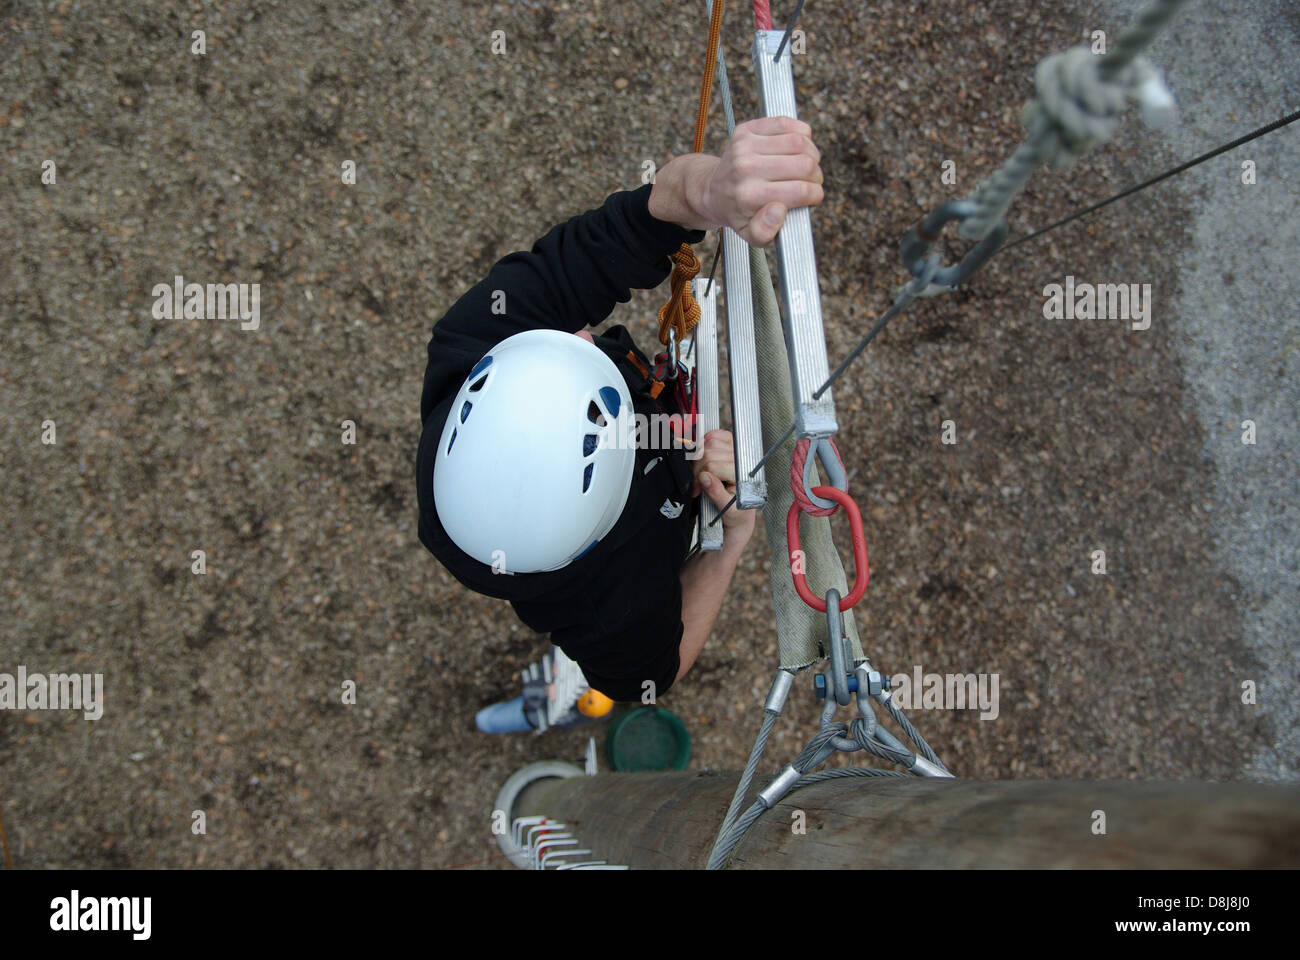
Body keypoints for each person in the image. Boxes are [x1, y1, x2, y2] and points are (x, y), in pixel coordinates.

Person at [417, 116, 824, 705]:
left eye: (562, 347)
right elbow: (648, 678)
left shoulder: (480, 340)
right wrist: (731, 541)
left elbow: (635, 222)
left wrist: (711, 192)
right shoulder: (608, 606)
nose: (582, 333)